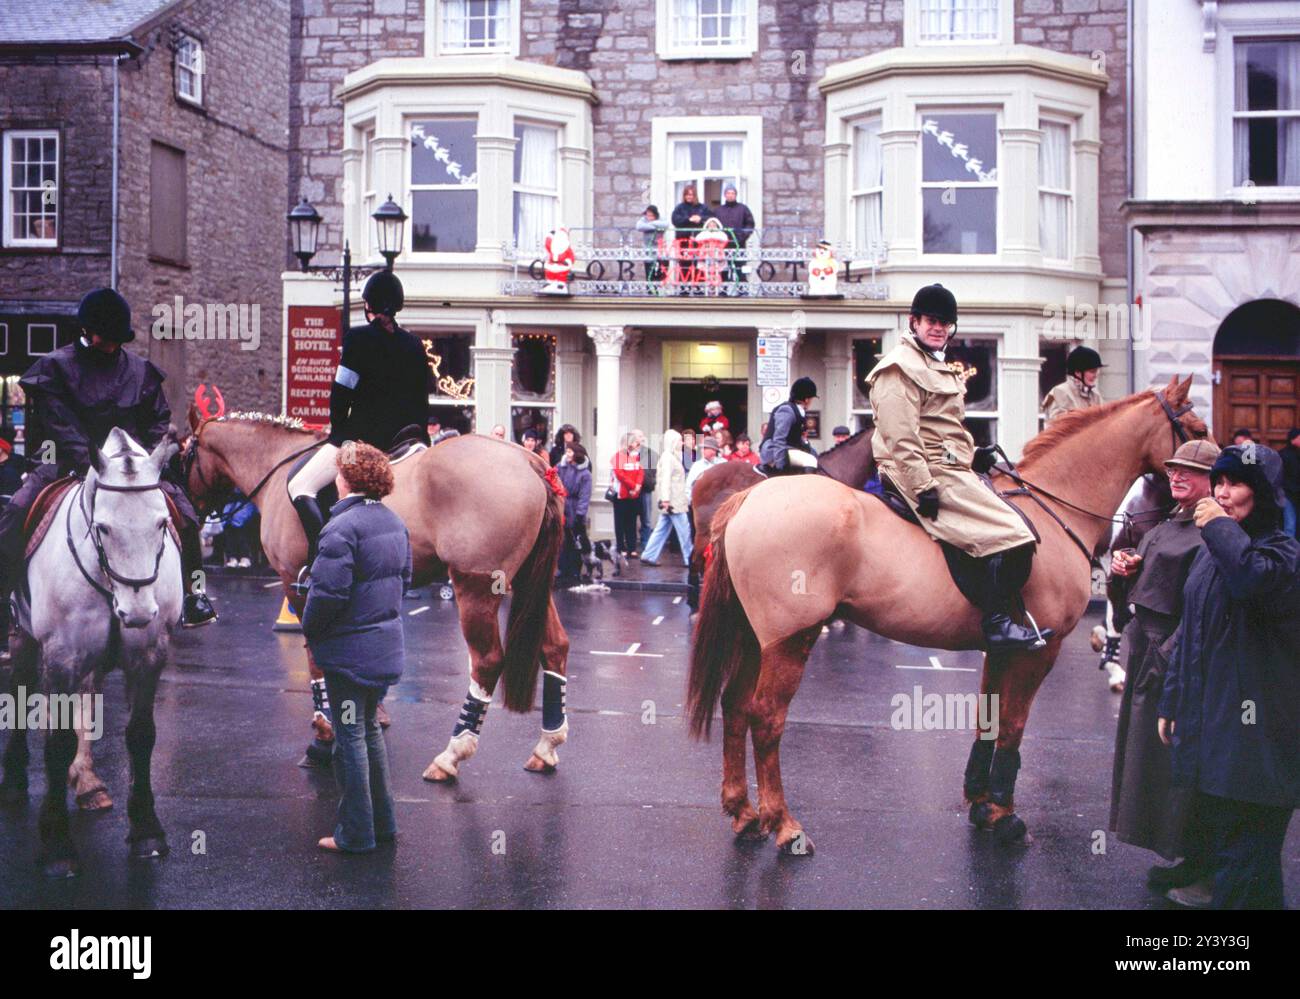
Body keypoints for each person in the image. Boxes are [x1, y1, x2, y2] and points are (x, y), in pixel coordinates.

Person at [0, 288, 216, 629]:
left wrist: (141, 461)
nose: (112, 345)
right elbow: (59, 423)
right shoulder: (56, 368)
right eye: (105, 338)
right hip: (69, 462)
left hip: (133, 468)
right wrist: (94, 464)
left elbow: (159, 418)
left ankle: (196, 594)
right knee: (15, 512)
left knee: (186, 516)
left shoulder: (141, 371)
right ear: (86, 331)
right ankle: (4, 601)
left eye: (118, 339)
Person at [867, 284, 1051, 649]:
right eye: (932, 321)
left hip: (942, 465)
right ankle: (996, 623)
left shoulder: (934, 364)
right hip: (916, 471)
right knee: (1013, 533)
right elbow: (902, 439)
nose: (938, 328)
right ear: (914, 322)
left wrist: (969, 458)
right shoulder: (897, 369)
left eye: (945, 323)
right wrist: (922, 487)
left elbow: (941, 439)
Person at [1158, 444, 1299, 909]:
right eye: (1218, 483)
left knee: (1248, 871)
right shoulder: (1213, 553)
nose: (1221, 493)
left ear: (1261, 493)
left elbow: (1250, 580)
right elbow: (1191, 630)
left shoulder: (1282, 553)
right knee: (1234, 863)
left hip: (1260, 742)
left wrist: (1217, 524)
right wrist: (1172, 701)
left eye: (1234, 483)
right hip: (1221, 735)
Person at [1108, 440, 1220, 899]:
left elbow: (1208, 608)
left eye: (1191, 472)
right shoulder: (1165, 520)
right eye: (1174, 468)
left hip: (1174, 656)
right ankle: (1186, 858)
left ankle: (1205, 866)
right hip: (1146, 648)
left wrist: (1171, 655)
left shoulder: (1216, 531)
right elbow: (1131, 599)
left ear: (1215, 480)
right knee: (1150, 766)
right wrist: (1123, 573)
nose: (1177, 476)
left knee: (1182, 763)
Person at [287, 270, 428, 593]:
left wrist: (340, 433)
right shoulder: (415, 345)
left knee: (300, 485)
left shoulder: (358, 338)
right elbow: (422, 398)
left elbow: (342, 390)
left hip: (362, 437)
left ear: (370, 306)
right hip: (406, 439)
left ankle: (319, 562)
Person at [302, 442, 411, 854]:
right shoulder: (395, 522)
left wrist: (310, 631)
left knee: (349, 738)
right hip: (383, 647)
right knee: (367, 732)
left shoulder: (341, 528)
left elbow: (328, 594)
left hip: (348, 654)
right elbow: (406, 577)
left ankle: (356, 834)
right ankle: (382, 825)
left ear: (346, 480)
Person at [639, 429, 692, 567]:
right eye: (679, 440)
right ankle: (690, 558)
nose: (681, 443)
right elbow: (665, 480)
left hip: (673, 499)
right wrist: (666, 500)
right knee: (684, 530)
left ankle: (649, 554)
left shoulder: (672, 456)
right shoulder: (669, 457)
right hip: (674, 501)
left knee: (661, 529)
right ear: (673, 442)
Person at [758, 377, 819, 476]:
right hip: (773, 451)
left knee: (814, 454)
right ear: (807, 399)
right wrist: (780, 465)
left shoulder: (799, 411)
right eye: (812, 398)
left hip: (788, 448)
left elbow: (795, 438)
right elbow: (779, 439)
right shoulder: (787, 411)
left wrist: (806, 444)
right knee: (810, 460)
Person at [555, 442, 592, 581]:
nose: (567, 454)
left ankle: (576, 570)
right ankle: (563, 569)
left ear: (577, 454)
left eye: (570, 451)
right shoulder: (560, 467)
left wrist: (580, 515)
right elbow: (553, 479)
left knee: (576, 542)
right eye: (567, 451)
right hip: (562, 506)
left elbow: (585, 496)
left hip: (575, 510)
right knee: (563, 541)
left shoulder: (585, 474)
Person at [1042, 345, 1105, 424]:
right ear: (1077, 372)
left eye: (1097, 371)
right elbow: (1060, 426)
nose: (1096, 375)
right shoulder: (1057, 392)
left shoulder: (1095, 394)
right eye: (1092, 371)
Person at [712, 184, 755, 285]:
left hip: (739, 244)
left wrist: (742, 236)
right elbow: (713, 225)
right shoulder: (718, 211)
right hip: (722, 246)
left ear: (736, 195)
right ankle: (723, 290)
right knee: (723, 269)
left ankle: (742, 290)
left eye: (732, 193)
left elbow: (750, 224)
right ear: (724, 195)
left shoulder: (743, 209)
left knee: (740, 268)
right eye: (728, 193)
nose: (730, 195)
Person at [611, 433, 644, 558]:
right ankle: (621, 547)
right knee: (620, 522)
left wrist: (638, 486)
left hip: (634, 494)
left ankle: (632, 547)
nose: (638, 445)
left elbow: (641, 472)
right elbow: (620, 475)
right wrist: (632, 486)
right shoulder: (617, 457)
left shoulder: (637, 457)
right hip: (621, 494)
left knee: (632, 522)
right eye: (636, 442)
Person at [633, 429, 657, 554]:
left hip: (645, 490)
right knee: (631, 519)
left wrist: (647, 481)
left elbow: (653, 471)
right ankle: (631, 545)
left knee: (646, 519)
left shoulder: (650, 454)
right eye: (639, 436)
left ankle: (646, 545)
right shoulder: (627, 453)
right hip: (631, 490)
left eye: (642, 436)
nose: (642, 438)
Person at [635, 205, 669, 285]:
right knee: (650, 271)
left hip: (660, 249)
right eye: (648, 215)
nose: (649, 217)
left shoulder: (661, 219)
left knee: (663, 268)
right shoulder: (643, 220)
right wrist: (655, 227)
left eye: (651, 215)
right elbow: (639, 226)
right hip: (648, 249)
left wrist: (652, 224)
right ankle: (650, 289)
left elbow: (666, 225)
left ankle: (659, 285)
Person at [685, 435, 726, 500]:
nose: (702, 450)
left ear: (714, 450)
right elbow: (688, 486)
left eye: (705, 448)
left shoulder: (723, 464)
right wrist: (690, 501)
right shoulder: (697, 466)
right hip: (702, 502)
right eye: (702, 448)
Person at [1278, 427, 1299, 538]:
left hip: (1295, 495)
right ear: (1293, 439)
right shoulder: (1284, 455)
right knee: (1290, 524)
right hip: (1288, 495)